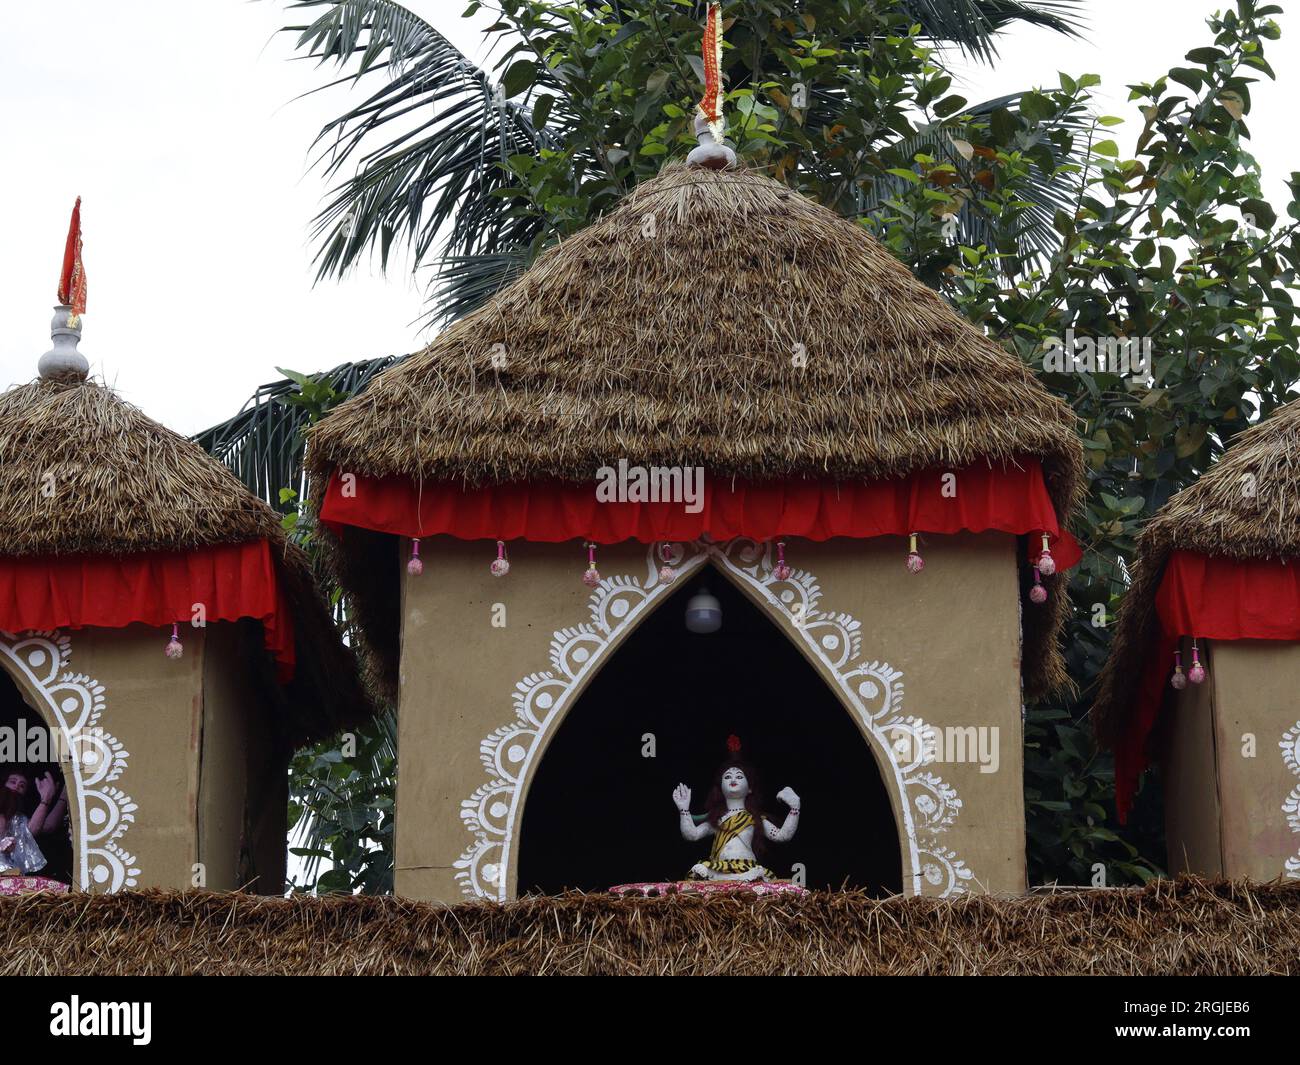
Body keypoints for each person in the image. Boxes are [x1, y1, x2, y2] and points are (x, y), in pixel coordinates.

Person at [672, 735, 800, 882]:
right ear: (720, 787)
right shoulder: (716, 818)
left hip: (747, 870)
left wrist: (794, 808)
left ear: (750, 787)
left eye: (739, 777)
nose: (733, 780)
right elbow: (692, 835)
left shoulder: (754, 819)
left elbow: (782, 836)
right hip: (717, 870)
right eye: (727, 777)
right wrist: (684, 810)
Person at [0, 770, 46, 875]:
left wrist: (48, 798)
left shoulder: (18, 818)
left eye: (21, 786)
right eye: (12, 782)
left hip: (9, 874)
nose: (16, 787)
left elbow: (43, 827)